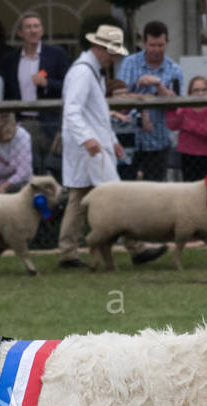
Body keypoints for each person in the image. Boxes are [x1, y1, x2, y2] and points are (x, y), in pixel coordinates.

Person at [56, 24, 165, 269]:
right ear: (101, 48)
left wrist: (112, 141)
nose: (114, 58)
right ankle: (135, 248)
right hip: (90, 147)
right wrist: (88, 139)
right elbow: (72, 110)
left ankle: (67, 251)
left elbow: (96, 113)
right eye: (112, 52)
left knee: (79, 198)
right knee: (117, 198)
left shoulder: (90, 71)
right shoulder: (84, 73)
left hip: (92, 145)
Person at [0, 10, 68, 168]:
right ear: (20, 33)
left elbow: (68, 85)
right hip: (22, 123)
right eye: (28, 27)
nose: (33, 30)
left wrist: (47, 83)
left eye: (36, 26)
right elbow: (6, 93)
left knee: (55, 167)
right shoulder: (10, 60)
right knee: (29, 168)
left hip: (50, 122)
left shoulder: (56, 54)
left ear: (42, 31)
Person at [117, 20, 184, 182]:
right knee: (126, 190)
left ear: (167, 42)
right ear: (144, 43)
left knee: (155, 192)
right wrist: (153, 98)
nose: (156, 50)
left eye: (160, 45)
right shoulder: (129, 63)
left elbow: (174, 104)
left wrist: (157, 84)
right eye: (152, 45)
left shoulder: (174, 69)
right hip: (129, 138)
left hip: (158, 140)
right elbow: (119, 96)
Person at [166, 76, 207, 181]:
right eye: (196, 90)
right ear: (190, 93)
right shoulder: (185, 107)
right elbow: (173, 125)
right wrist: (171, 108)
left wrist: (185, 122)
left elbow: (206, 131)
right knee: (190, 188)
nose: (200, 93)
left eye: (204, 90)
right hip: (187, 155)